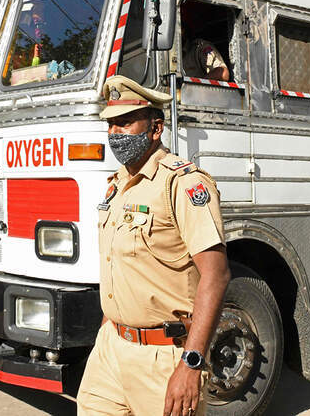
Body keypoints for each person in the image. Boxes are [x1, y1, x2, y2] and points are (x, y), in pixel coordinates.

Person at [77, 76, 231, 416]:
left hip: (163, 357)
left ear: (155, 128)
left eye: (125, 122)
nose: (115, 133)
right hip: (111, 350)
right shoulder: (117, 185)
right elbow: (121, 267)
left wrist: (191, 364)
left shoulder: (182, 183)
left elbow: (216, 276)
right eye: (111, 124)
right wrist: (109, 331)